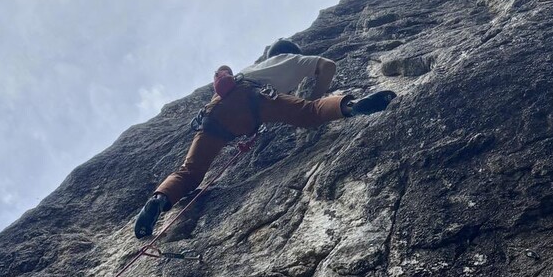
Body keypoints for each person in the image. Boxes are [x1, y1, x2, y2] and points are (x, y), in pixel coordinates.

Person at [134, 62, 396, 238]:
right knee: (310, 112)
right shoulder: (287, 61)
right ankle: (352, 107)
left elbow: (223, 76)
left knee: (190, 172)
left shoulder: (247, 70)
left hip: (214, 118)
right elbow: (323, 70)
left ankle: (159, 200)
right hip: (254, 101)